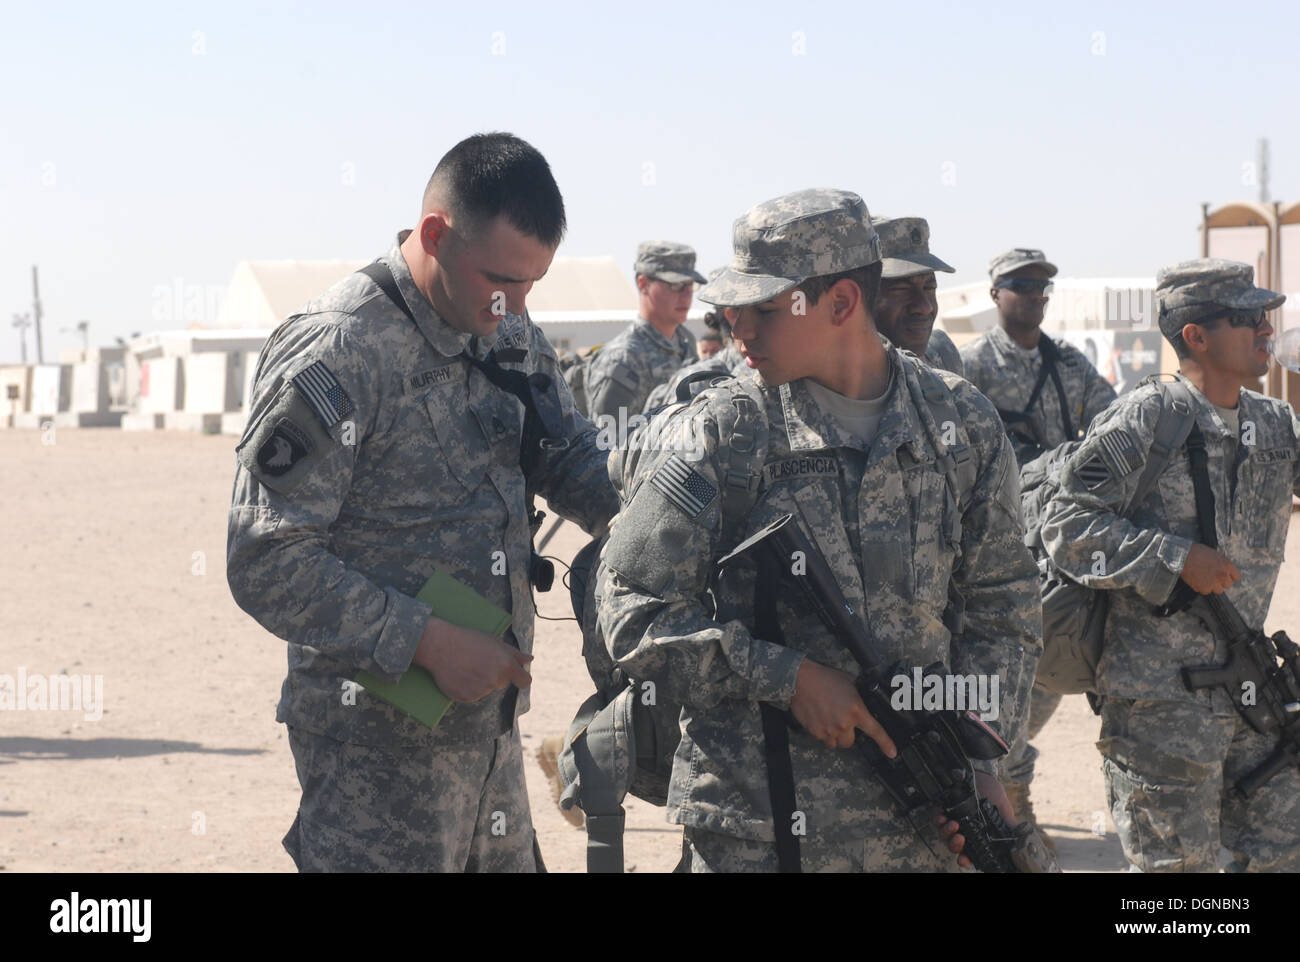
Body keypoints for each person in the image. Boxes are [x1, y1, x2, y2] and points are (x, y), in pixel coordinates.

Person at [595, 189, 1042, 872]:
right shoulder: (721, 432)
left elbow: (1003, 603)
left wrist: (979, 754)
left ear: (839, 305)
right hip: (756, 831)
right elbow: (631, 612)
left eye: (765, 308)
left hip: (914, 836)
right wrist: (788, 678)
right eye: (733, 305)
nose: (734, 322)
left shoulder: (960, 424)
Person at [226, 132, 618, 872]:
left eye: (532, 284)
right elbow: (264, 557)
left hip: (489, 735)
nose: (515, 304)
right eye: (501, 279)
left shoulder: (506, 326)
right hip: (372, 753)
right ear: (434, 234)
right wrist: (430, 642)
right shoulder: (338, 350)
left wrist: (661, 522)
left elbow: (565, 455)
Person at [1042, 258, 1300, 872]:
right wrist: (1174, 558)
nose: (1267, 330)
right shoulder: (1149, 418)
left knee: (1279, 854)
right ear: (1196, 335)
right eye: (1248, 319)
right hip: (1159, 703)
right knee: (1175, 879)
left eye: (1268, 317)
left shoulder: (1275, 424)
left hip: (1250, 688)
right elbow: (1065, 525)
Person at [960, 247, 1118, 845]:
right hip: (991, 548)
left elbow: (1112, 427)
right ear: (995, 293)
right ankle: (1012, 806)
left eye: (1040, 287)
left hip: (1052, 553)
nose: (1032, 295)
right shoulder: (971, 366)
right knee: (997, 684)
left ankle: (1014, 790)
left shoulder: (1068, 366)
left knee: (1046, 678)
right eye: (1019, 285)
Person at [585, 241, 704, 422]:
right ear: (643, 284)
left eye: (690, 285)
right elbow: (607, 441)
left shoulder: (686, 344)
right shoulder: (623, 358)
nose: (687, 294)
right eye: (676, 284)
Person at [870, 215, 963, 375]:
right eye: (902, 289)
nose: (925, 307)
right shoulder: (837, 379)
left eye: (929, 287)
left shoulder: (942, 354)